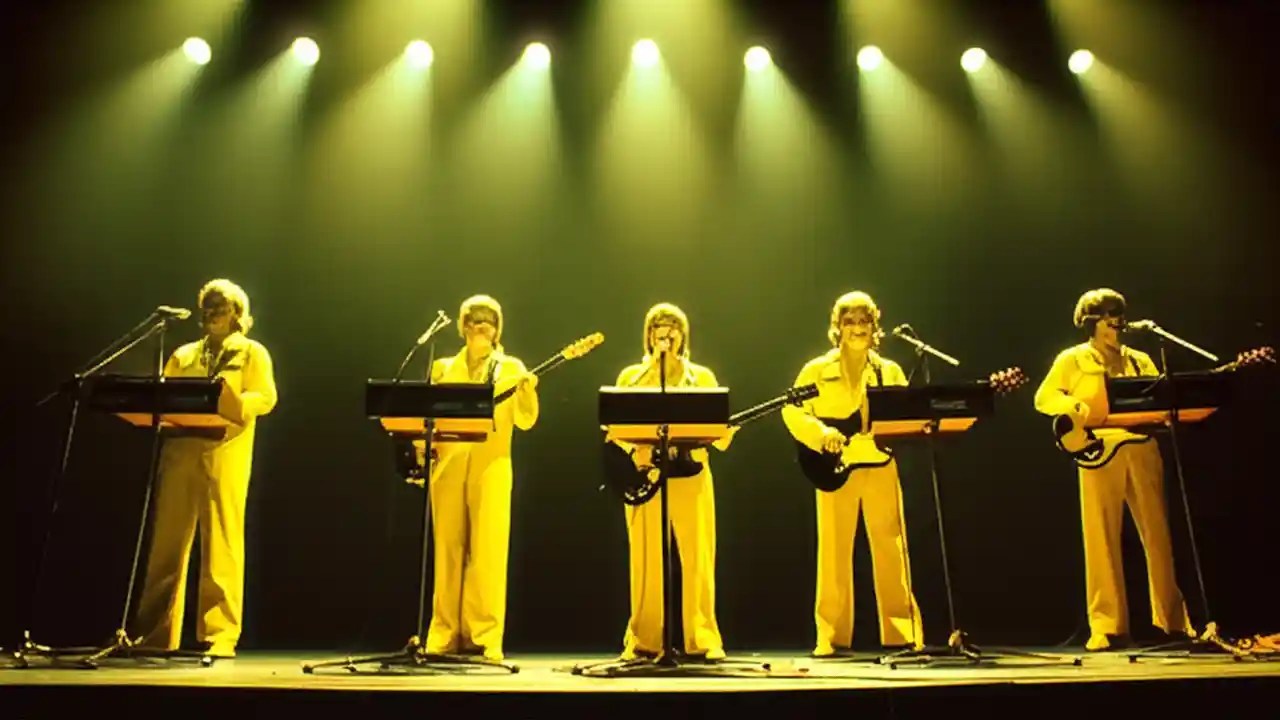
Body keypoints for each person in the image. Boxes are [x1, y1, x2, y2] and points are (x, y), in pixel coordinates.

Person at [1033, 288, 1195, 651]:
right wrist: (1075, 408)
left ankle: (1173, 621)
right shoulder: (1073, 359)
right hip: (1100, 449)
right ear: (1091, 323)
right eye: (1108, 318)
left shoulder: (1139, 359)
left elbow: (1160, 395)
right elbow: (1043, 398)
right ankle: (1107, 626)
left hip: (1141, 445)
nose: (1116, 325)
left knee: (1159, 536)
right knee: (1101, 536)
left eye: (1118, 317)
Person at [132, 278, 278, 659]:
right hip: (180, 453)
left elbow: (266, 396)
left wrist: (236, 405)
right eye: (208, 307)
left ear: (238, 313)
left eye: (220, 307)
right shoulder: (183, 354)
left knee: (222, 545)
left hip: (224, 454)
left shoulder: (251, 353)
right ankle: (155, 634)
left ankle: (220, 635)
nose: (212, 313)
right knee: (166, 545)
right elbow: (164, 396)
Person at [781, 291, 923, 656]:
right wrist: (821, 434)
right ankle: (830, 635)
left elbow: (903, 416)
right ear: (837, 328)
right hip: (835, 469)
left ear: (875, 327)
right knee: (833, 551)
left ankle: (903, 633)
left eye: (864, 321)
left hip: (879, 464)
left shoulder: (889, 371)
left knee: (892, 549)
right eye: (850, 322)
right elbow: (792, 410)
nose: (858, 328)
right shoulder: (817, 370)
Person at [607, 302, 731, 661]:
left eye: (673, 325)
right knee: (646, 560)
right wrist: (638, 450)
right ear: (649, 335)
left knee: (698, 558)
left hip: (691, 473)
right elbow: (613, 429)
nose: (666, 331)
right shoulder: (631, 377)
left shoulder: (701, 378)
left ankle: (702, 638)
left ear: (683, 335)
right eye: (658, 326)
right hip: (647, 474)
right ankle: (644, 640)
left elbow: (720, 431)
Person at [420, 294, 539, 662]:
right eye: (474, 318)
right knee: (447, 550)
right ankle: (444, 632)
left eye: (488, 319)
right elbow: (426, 418)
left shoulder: (511, 368)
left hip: (492, 465)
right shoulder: (443, 369)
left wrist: (527, 392)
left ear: (498, 327)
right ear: (462, 326)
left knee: (488, 551)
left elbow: (526, 420)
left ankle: (485, 634)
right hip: (448, 466)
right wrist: (421, 454)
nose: (481, 324)